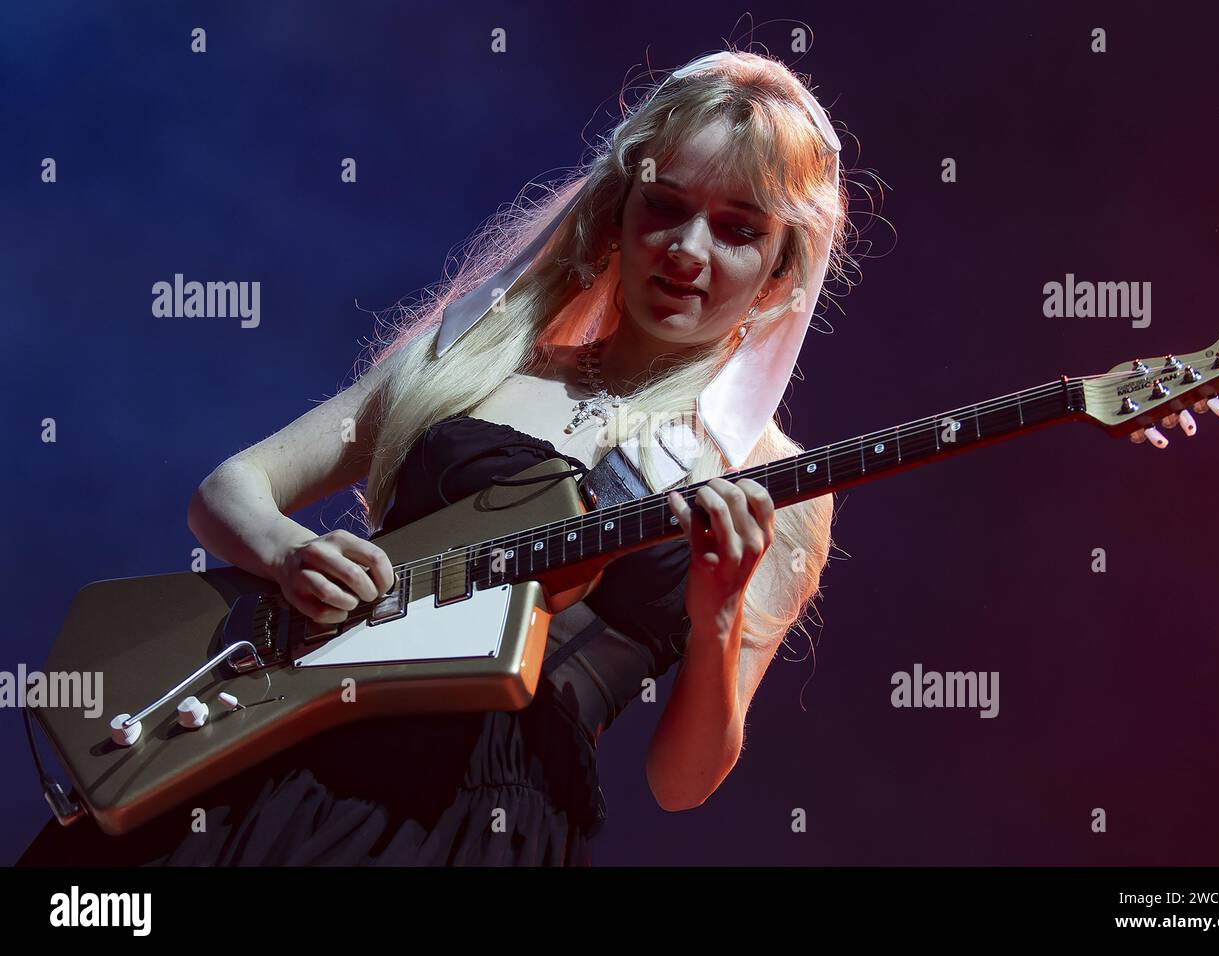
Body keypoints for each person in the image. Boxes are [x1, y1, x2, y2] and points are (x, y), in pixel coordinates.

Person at [16, 47, 847, 867]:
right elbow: (230, 488)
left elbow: (682, 783)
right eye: (664, 205)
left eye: (739, 229)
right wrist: (289, 553)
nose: (688, 249)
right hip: (286, 753)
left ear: (783, 267)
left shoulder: (775, 485)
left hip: (475, 830)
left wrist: (719, 614)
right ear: (616, 214)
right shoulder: (476, 364)